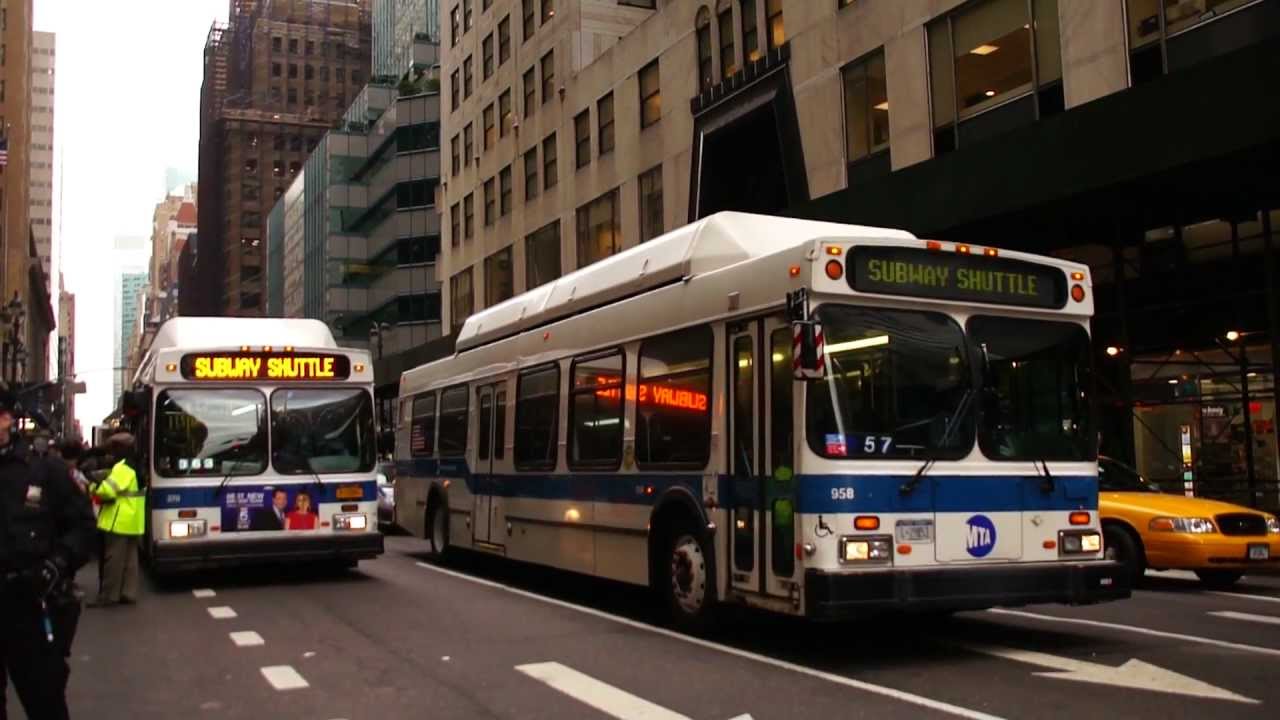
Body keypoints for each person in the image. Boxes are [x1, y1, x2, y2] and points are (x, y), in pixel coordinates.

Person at [0, 387, 96, 720]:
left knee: (45, 702)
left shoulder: (44, 471)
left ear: (7, 418)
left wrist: (58, 564)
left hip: (28, 605)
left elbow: (84, 526)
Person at [89, 433, 145, 607]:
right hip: (133, 519)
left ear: (120, 449)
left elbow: (107, 491)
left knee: (113, 560)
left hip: (118, 519)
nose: (110, 454)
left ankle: (108, 596)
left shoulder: (122, 468)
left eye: (113, 449)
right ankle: (128, 592)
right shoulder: (136, 466)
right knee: (130, 559)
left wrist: (92, 485)